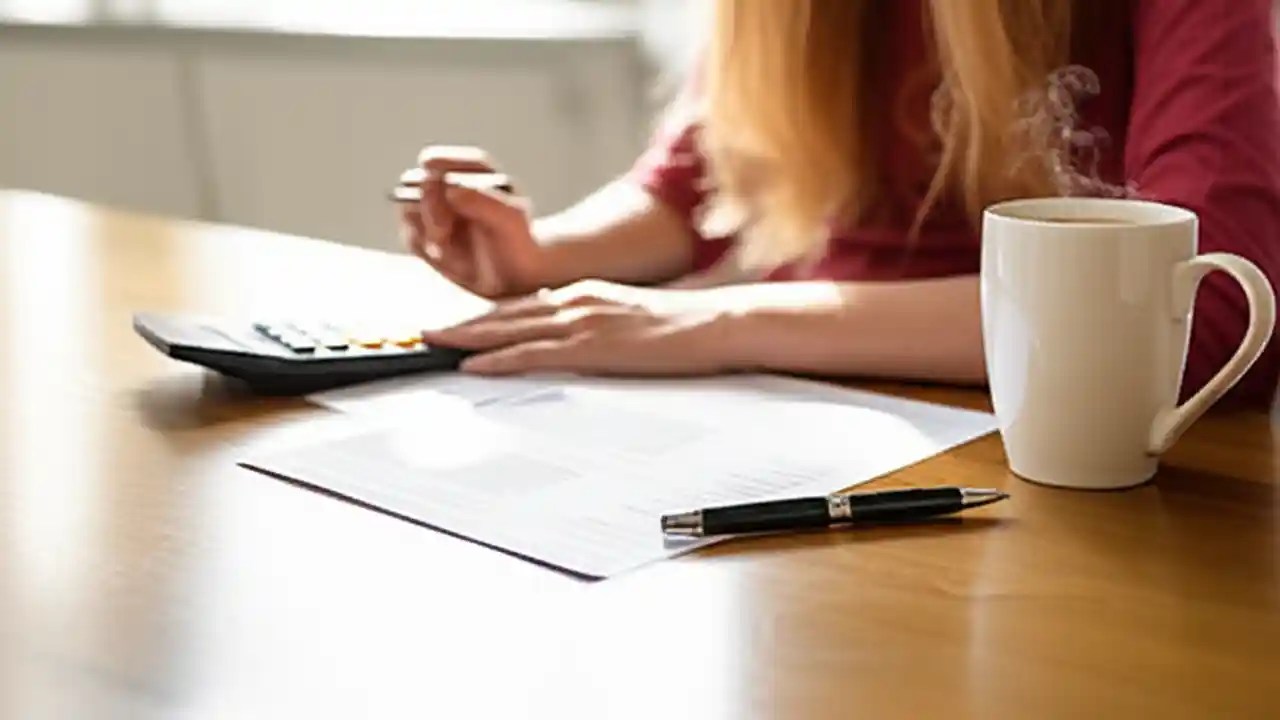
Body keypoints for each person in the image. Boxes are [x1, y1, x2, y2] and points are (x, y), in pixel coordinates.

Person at [401, 0, 1280, 407]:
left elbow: (1209, 303)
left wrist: (721, 322)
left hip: (1041, 445)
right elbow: (690, 189)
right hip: (810, 419)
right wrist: (544, 254)